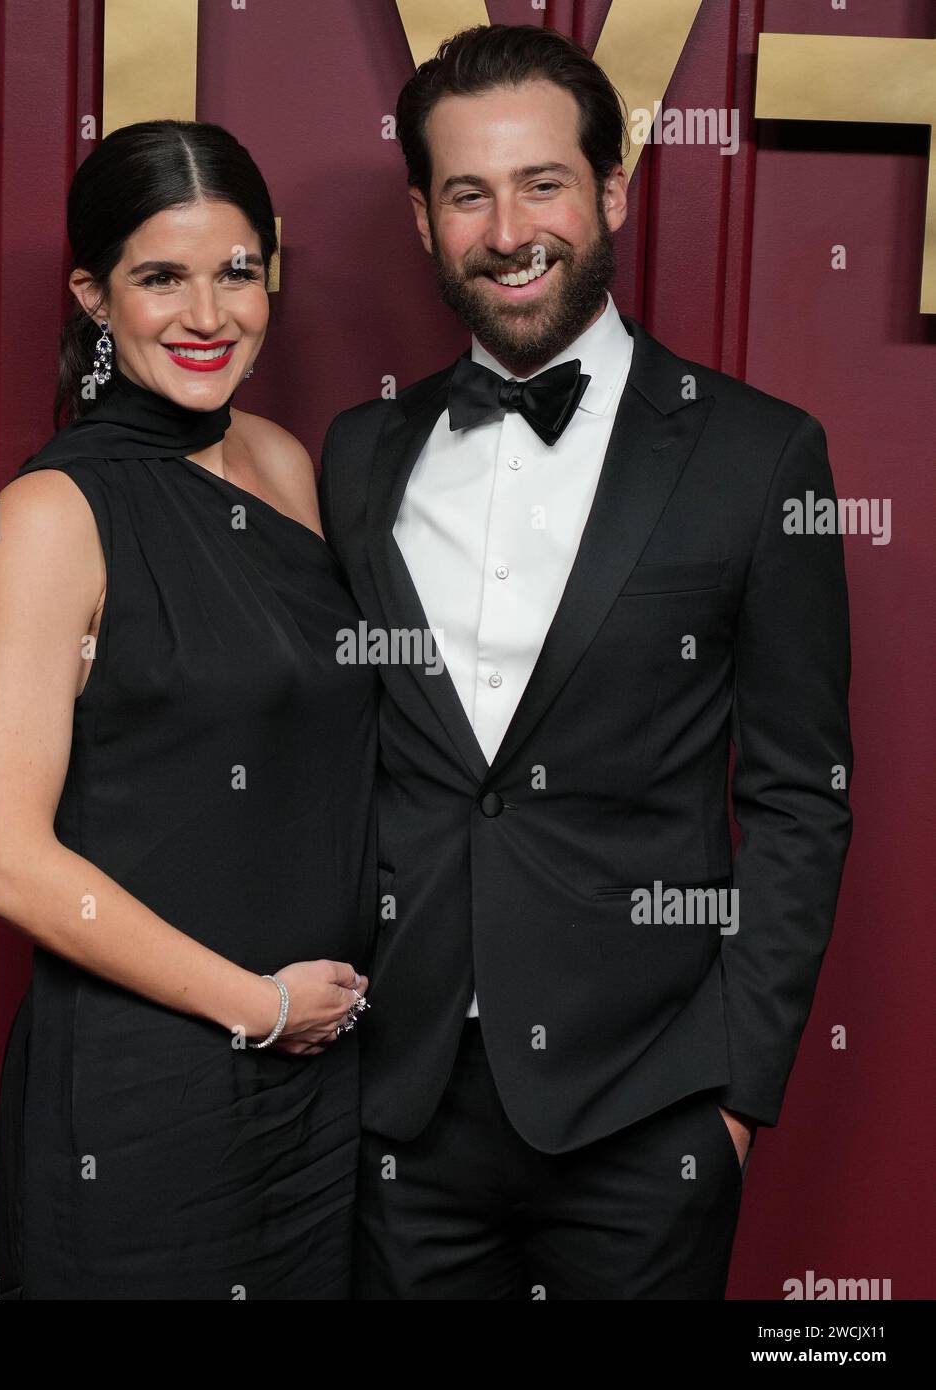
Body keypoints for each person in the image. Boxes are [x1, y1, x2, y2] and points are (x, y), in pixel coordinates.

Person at [318, 25, 853, 1299]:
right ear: (422, 216)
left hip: (651, 1109)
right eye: (467, 192)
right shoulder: (355, 456)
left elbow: (798, 794)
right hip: (401, 1109)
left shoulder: (758, 456)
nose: (508, 228)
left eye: (542, 181)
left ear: (611, 189)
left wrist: (732, 1095)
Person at [0, 119, 376, 1299]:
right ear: (94, 295)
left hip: (321, 1091)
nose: (207, 314)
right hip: (148, 1098)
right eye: (159, 277)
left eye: (236, 271)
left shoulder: (287, 465)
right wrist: (260, 1005)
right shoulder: (51, 514)